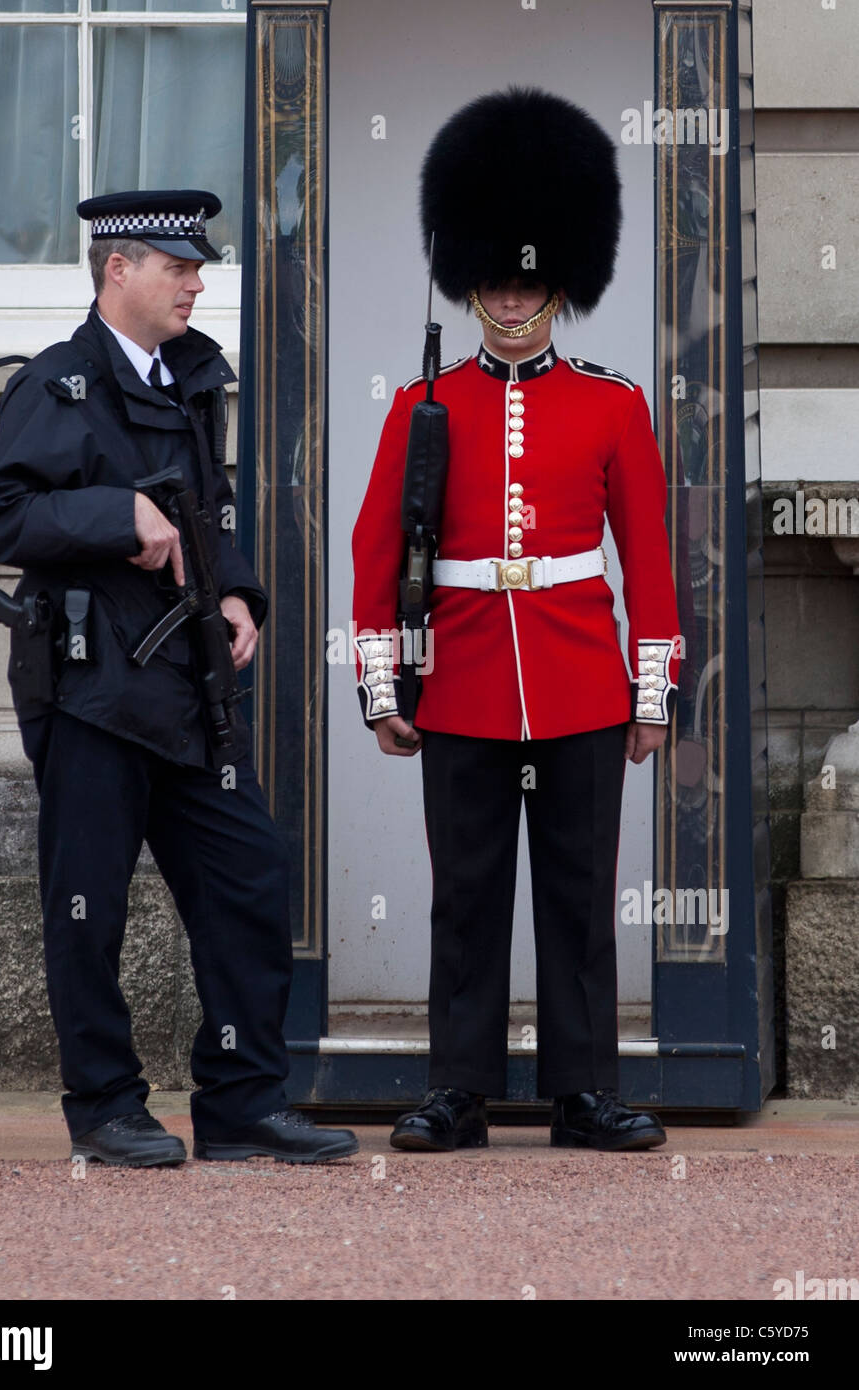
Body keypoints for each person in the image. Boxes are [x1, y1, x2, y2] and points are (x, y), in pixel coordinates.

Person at [0, 189, 356, 1166]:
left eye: (198, 265)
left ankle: (239, 1100)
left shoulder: (191, 380)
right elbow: (9, 521)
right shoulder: (57, 385)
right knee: (87, 906)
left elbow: (209, 516)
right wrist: (117, 517)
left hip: (190, 694)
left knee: (248, 882)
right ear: (118, 270)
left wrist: (236, 593)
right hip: (93, 691)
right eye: (177, 265)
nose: (197, 280)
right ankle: (106, 1107)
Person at [352, 89, 682, 1152]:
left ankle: (583, 1090)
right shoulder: (420, 405)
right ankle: (460, 1087)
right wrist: (382, 684)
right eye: (495, 279)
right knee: (469, 894)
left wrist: (651, 689)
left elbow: (648, 555)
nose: (510, 298)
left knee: (582, 899)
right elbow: (374, 552)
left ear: (560, 287)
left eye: (529, 281)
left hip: (581, 678)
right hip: (464, 680)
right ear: (470, 281)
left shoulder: (612, 404)